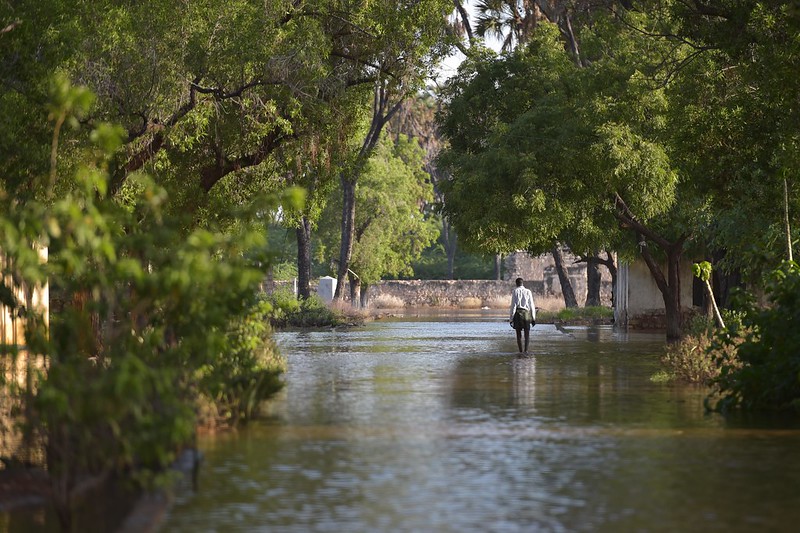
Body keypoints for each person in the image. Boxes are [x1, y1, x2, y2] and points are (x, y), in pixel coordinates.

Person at [509, 277, 536, 353]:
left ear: (516, 283)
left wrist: (511, 318)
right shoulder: (528, 291)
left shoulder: (515, 291)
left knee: (518, 334)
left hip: (518, 313)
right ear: (522, 283)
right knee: (527, 333)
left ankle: (520, 351)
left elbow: (513, 306)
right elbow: (532, 305)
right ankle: (526, 351)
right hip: (526, 313)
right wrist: (533, 318)